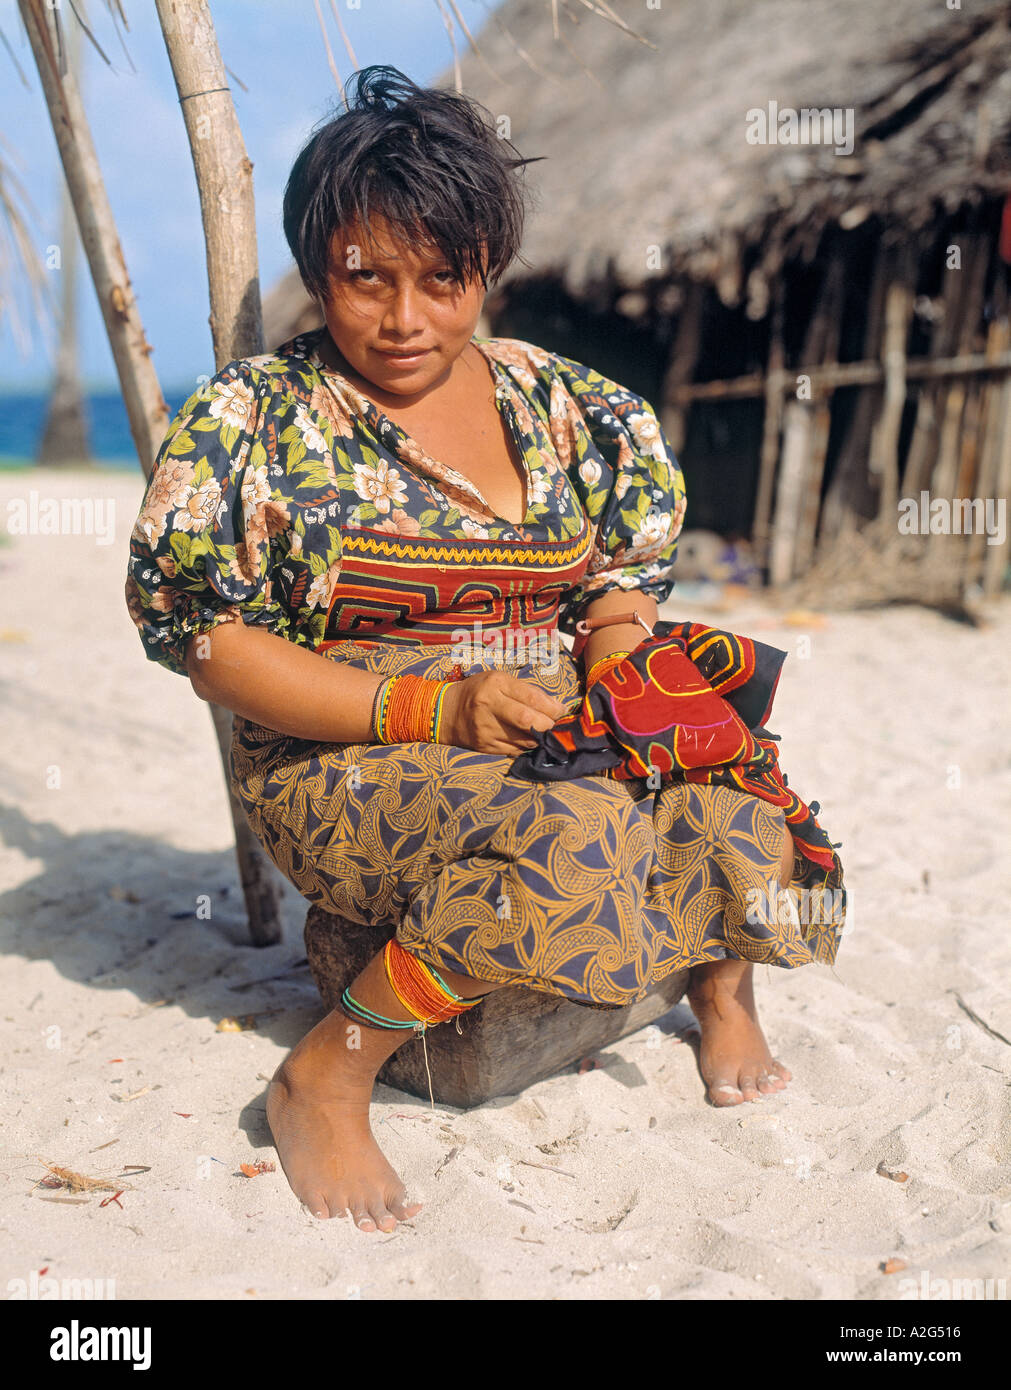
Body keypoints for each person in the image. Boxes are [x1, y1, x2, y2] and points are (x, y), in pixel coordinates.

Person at [126, 66, 842, 1235]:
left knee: (733, 765)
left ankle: (723, 992)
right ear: (318, 271)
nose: (404, 317)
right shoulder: (255, 422)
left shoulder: (571, 410)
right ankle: (333, 1069)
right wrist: (437, 712)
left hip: (539, 711)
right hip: (341, 751)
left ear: (485, 270)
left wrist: (623, 676)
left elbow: (618, 588)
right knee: (577, 832)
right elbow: (209, 645)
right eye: (365, 279)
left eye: (441, 280)